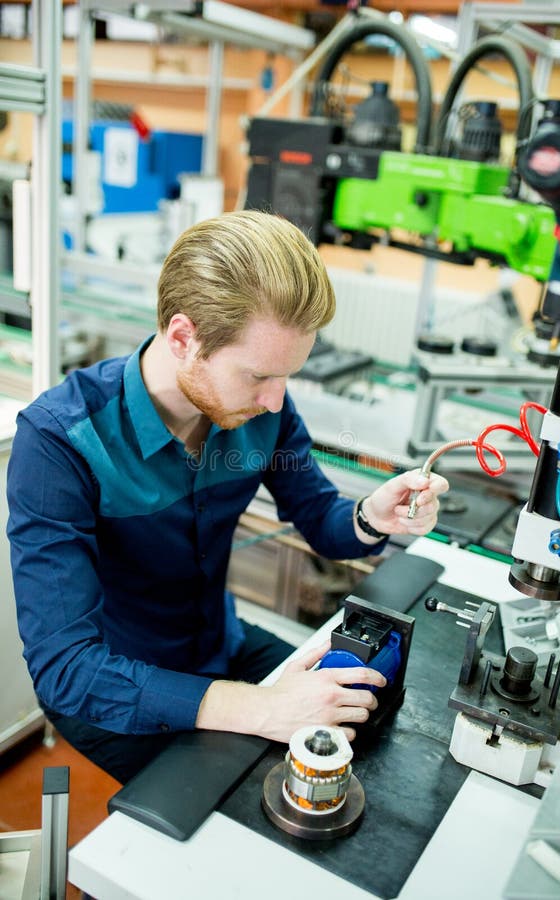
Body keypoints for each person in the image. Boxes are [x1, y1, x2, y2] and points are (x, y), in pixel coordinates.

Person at [7, 211, 448, 784]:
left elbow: (318, 517)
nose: (275, 401)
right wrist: (265, 708)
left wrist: (372, 515)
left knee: (366, 742)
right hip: (116, 689)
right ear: (184, 338)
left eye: (289, 377)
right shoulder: (59, 443)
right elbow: (65, 668)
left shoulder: (264, 407)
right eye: (259, 376)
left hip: (221, 647)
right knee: (240, 807)